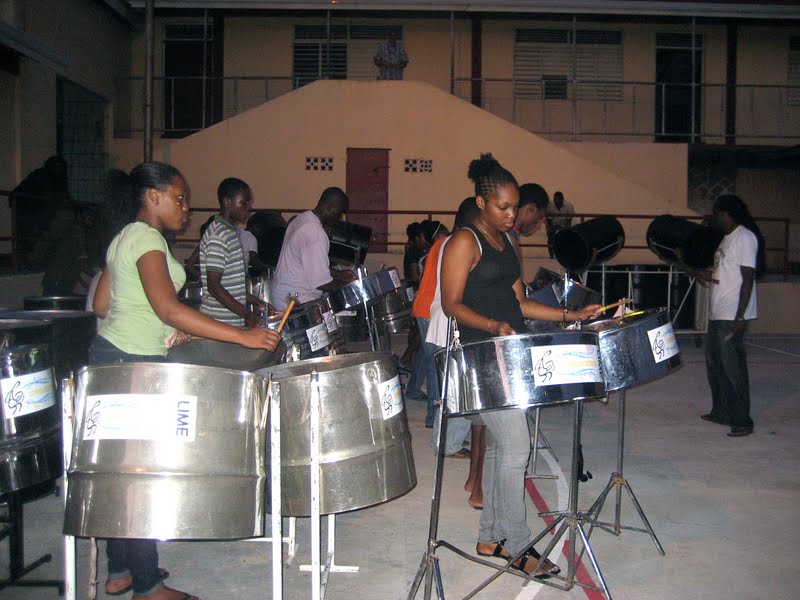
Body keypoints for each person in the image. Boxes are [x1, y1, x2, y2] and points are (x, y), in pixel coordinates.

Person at [91, 161, 281, 600]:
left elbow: (103, 305)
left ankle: (120, 569)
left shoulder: (123, 236)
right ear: (152, 196)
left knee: (120, 471)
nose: (185, 208)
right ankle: (148, 586)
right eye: (178, 199)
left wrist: (164, 329)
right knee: (139, 474)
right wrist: (242, 335)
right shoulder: (147, 239)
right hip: (133, 362)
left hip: (112, 354)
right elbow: (167, 307)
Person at [440, 153, 600, 577]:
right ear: (481, 202)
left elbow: (521, 303)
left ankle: (491, 537)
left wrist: (571, 315)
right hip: (481, 356)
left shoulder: (509, 243)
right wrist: (492, 325)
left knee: (503, 450)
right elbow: (451, 304)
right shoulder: (463, 242)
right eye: (503, 207)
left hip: (511, 353)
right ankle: (516, 543)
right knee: (516, 447)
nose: (512, 215)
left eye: (514, 207)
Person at [699, 194, 763, 438]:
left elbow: (748, 278)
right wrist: (701, 274)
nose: (714, 218)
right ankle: (722, 412)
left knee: (733, 368)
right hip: (718, 312)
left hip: (732, 314)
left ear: (726, 214)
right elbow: (722, 275)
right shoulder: (726, 240)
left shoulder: (744, 237)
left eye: (717, 214)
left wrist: (740, 317)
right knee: (715, 365)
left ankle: (742, 420)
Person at [271, 187, 355, 310]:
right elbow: (322, 283)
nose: (340, 218)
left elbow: (308, 264)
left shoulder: (302, 219)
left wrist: (338, 274)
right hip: (296, 300)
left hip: (285, 294)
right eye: (339, 213)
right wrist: (351, 285)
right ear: (330, 208)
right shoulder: (315, 233)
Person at [405, 220, 451, 428]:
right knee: (436, 366)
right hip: (430, 310)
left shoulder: (438, 246)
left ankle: (414, 390)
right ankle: (434, 417)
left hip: (425, 308)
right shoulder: (446, 245)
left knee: (428, 356)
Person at [199, 178, 263, 328]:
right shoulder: (218, 236)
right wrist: (247, 314)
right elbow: (214, 287)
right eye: (243, 203)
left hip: (230, 322)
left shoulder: (230, 233)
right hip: (219, 323)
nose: (248, 208)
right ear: (227, 202)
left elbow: (230, 286)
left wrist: (257, 302)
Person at [8, 156, 71, 268]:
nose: (58, 169)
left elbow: (61, 197)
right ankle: (25, 260)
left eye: (60, 167)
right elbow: (47, 195)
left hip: (39, 211)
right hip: (27, 208)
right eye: (56, 166)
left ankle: (34, 259)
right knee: (29, 236)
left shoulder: (60, 179)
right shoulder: (40, 176)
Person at [546, 190, 575, 258]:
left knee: (566, 236)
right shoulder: (550, 206)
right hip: (553, 224)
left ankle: (564, 253)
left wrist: (567, 229)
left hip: (564, 224)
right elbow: (549, 220)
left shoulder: (569, 206)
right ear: (554, 199)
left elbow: (569, 220)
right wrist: (551, 228)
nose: (557, 201)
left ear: (562, 199)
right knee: (551, 235)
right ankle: (551, 254)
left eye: (559, 199)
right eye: (556, 199)